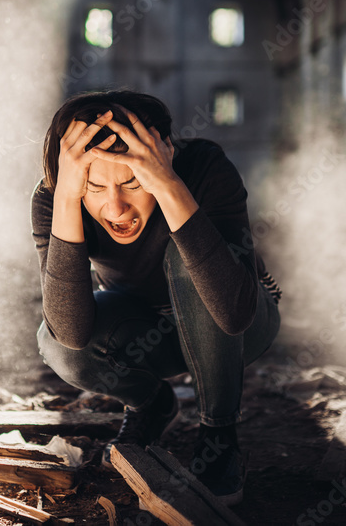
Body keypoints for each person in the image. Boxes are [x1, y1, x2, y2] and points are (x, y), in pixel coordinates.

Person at [31, 90, 281, 505]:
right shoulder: (55, 197)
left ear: (161, 160)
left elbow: (235, 314)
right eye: (95, 186)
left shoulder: (204, 168)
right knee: (55, 341)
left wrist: (167, 184)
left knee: (187, 256)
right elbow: (70, 335)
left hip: (240, 324)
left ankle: (219, 434)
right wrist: (67, 198)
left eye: (132, 182)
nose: (116, 208)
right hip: (146, 334)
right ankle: (152, 403)